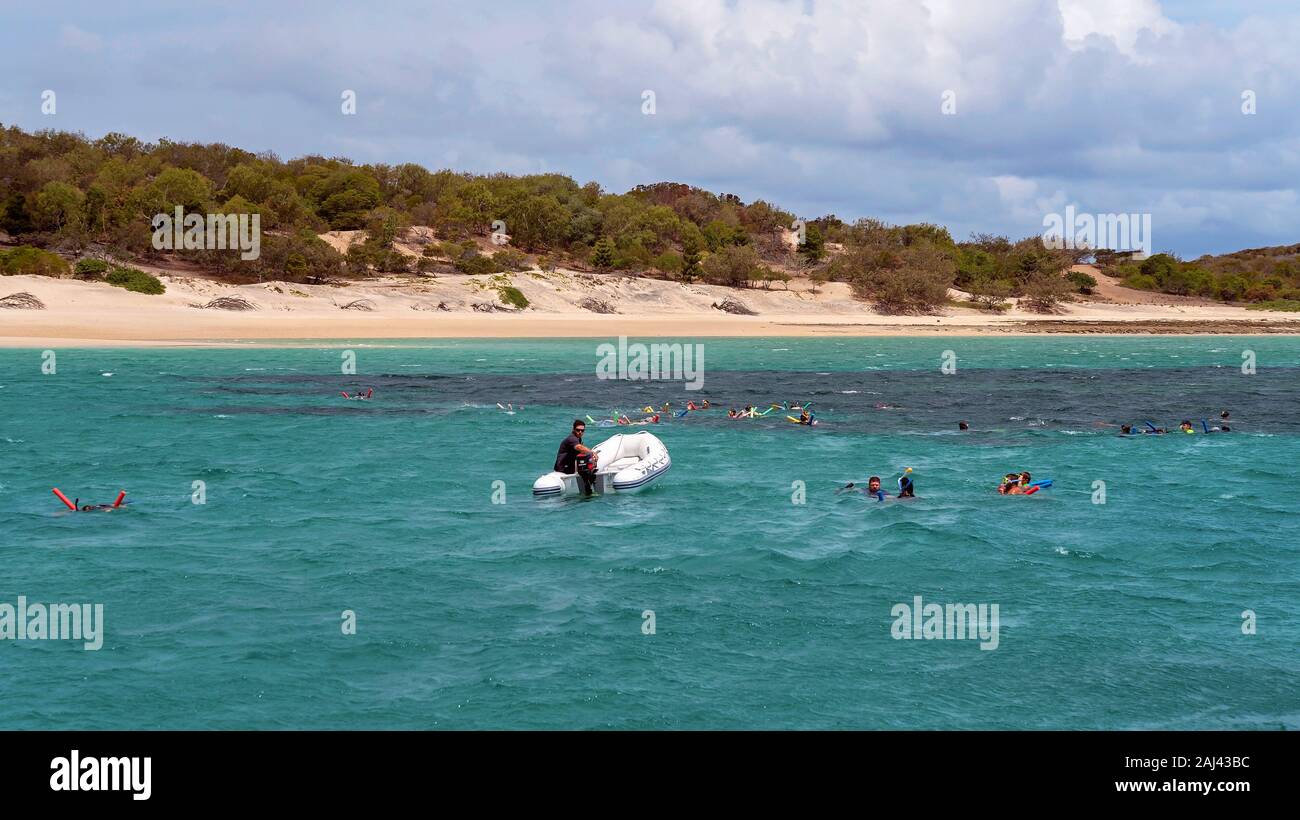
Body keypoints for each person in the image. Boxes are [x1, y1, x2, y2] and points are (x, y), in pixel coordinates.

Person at [555, 419, 597, 496]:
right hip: (562, 468)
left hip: (569, 467)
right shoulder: (572, 438)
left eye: (582, 430)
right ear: (573, 429)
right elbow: (579, 447)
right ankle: (588, 491)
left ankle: (588, 490)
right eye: (578, 430)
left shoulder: (578, 439)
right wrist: (592, 453)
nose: (580, 432)